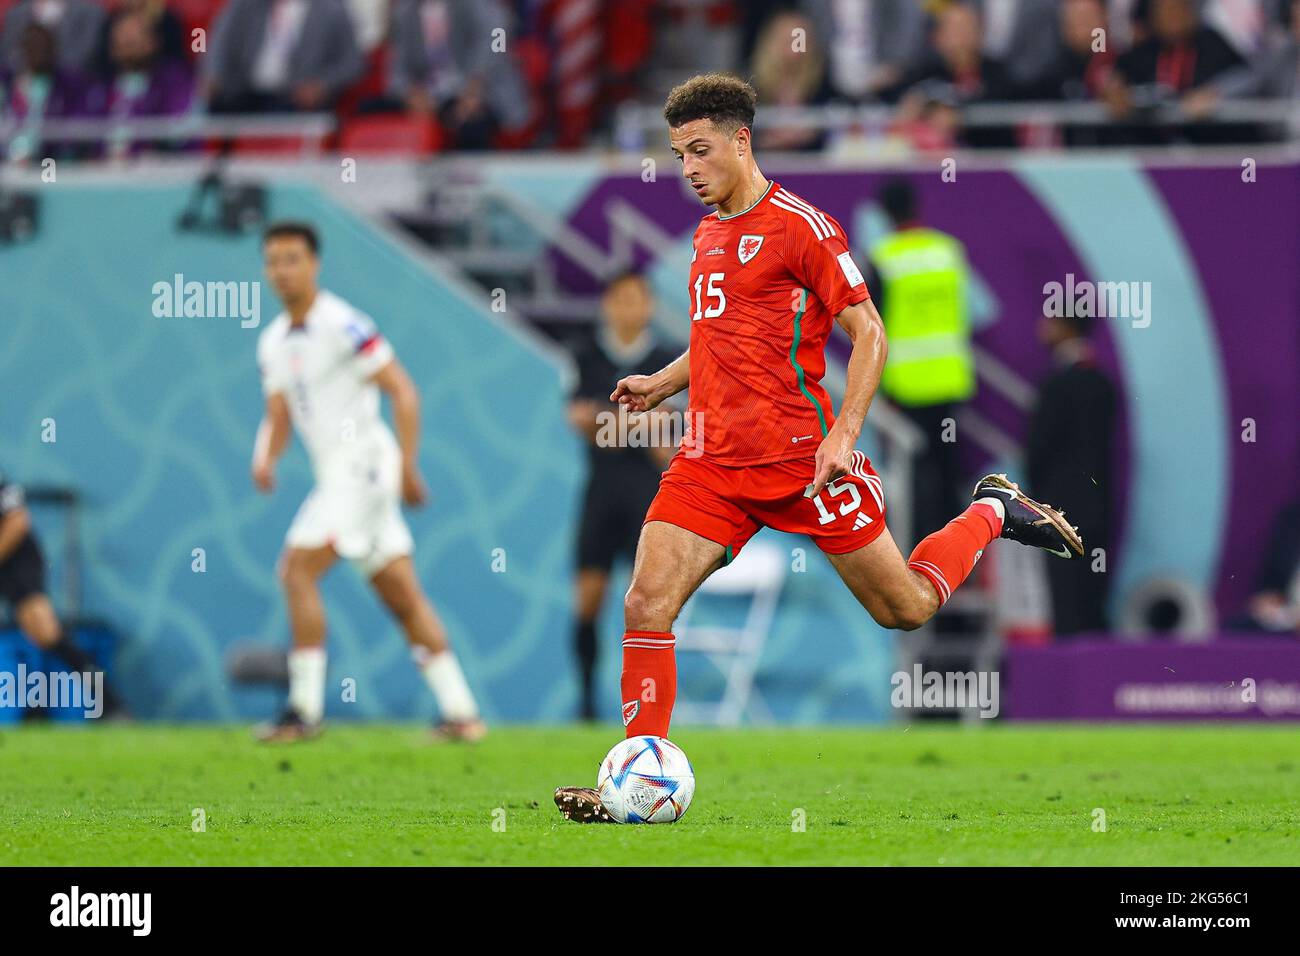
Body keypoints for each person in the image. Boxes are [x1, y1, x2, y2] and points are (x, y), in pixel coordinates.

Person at [554, 74, 1084, 822]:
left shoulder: (803, 227)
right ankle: (635, 783)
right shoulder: (707, 235)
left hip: (803, 463)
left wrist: (844, 433)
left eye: (699, 150)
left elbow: (871, 333)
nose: (689, 170)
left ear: (741, 141)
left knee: (906, 607)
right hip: (712, 464)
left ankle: (992, 510)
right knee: (645, 601)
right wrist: (662, 382)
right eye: (678, 156)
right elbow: (718, 337)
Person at [251, 221, 485, 743]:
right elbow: (279, 414)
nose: (282, 270)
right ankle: (462, 713)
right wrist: (264, 457)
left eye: (292, 259)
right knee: (401, 593)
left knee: (296, 570)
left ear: (314, 264)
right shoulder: (272, 343)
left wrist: (407, 465)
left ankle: (303, 711)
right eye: (273, 261)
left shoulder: (344, 323)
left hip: (363, 468)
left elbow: (403, 390)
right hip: (340, 476)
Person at [567, 272, 680, 721]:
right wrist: (640, 424)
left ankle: (646, 708)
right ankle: (587, 704)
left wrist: (607, 421)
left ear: (649, 306)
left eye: (637, 299)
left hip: (649, 499)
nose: (629, 308)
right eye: (620, 299)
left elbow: (666, 427)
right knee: (588, 601)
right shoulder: (585, 355)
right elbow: (578, 419)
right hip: (600, 496)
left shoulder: (668, 359)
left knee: (647, 603)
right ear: (607, 305)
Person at [865, 178, 975, 546]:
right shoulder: (948, 250)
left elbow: (872, 326)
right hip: (949, 378)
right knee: (949, 472)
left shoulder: (883, 258)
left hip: (906, 385)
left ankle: (923, 553)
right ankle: (959, 549)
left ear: (885, 214)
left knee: (914, 477)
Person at [0, 470, 126, 717]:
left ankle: (108, 702)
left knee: (45, 632)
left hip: (18, 564)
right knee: (43, 635)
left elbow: (18, 522)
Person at [1026, 309, 1117, 636]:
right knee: (1092, 599)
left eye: (1050, 321)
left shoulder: (1056, 385)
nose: (1042, 327)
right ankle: (1098, 667)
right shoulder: (1103, 384)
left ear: (1065, 327)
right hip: (1098, 507)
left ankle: (1071, 668)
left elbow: (1038, 450)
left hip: (1059, 511)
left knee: (1067, 605)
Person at [204, 0, 363, 113]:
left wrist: (322, 85)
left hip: (297, 99)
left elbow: (351, 63)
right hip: (245, 92)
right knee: (214, 106)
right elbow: (220, 44)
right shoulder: (245, 5)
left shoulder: (331, 9)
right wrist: (214, 74)